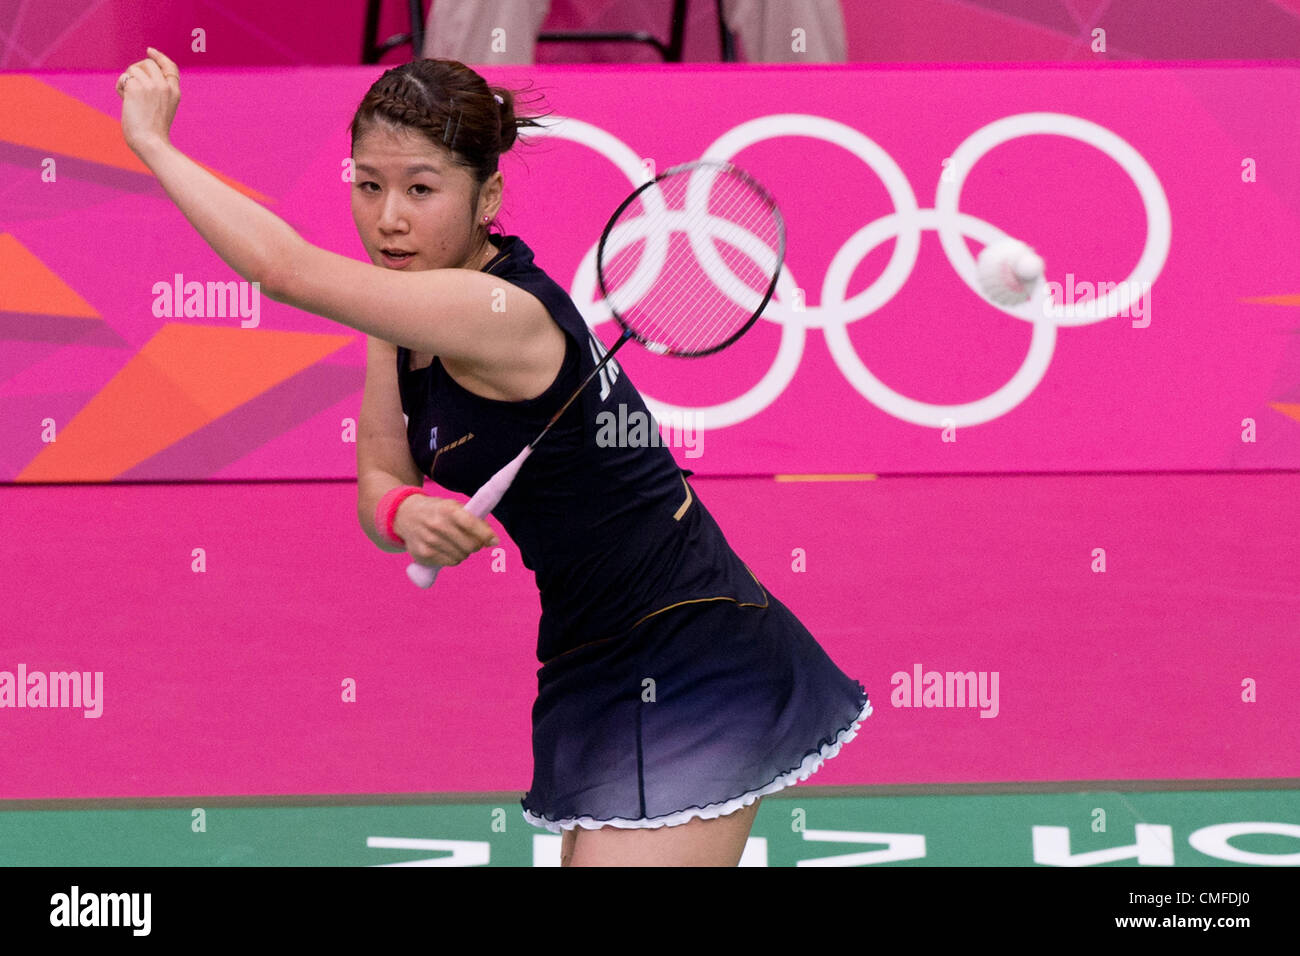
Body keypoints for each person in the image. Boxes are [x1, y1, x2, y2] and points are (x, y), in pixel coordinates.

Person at [117, 47, 870, 866]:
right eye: (368, 186)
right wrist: (407, 512)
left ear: (489, 198)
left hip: (690, 649)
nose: (389, 218)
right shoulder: (402, 313)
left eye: (420, 189)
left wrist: (155, 145)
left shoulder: (495, 312)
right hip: (592, 656)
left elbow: (281, 269)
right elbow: (380, 470)